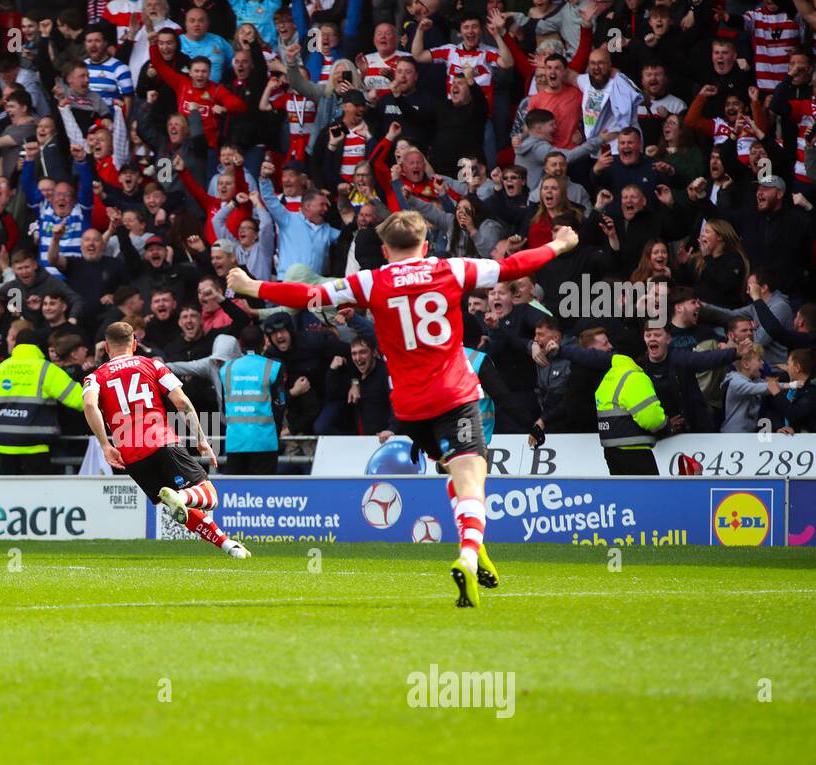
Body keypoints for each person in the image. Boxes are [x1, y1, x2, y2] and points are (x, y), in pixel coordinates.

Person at [228, 211, 580, 608]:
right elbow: (511, 267)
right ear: (426, 245)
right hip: (453, 395)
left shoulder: (371, 281)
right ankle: (468, 552)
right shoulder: (450, 269)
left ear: (384, 249)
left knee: (450, 467)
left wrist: (253, 284)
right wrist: (559, 245)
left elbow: (311, 296)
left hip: (409, 407)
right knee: (472, 474)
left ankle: (477, 550)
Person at [83, 320, 249, 559]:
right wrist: (201, 439)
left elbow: (89, 404)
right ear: (135, 344)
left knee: (179, 506)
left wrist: (105, 445)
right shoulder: (152, 365)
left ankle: (227, 545)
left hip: (131, 456)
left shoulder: (94, 377)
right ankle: (180, 496)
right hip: (161, 442)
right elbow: (181, 402)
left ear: (107, 348)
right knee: (209, 496)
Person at [0, 328, 84, 474]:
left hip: (5, 445)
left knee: (9, 493)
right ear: (39, 348)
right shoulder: (47, 370)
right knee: (38, 494)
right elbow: (80, 400)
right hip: (36, 445)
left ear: (16, 346)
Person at [595, 352, 674, 474]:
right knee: (649, 493)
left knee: (624, 493)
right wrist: (667, 425)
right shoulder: (634, 377)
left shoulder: (610, 375)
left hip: (611, 451)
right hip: (636, 451)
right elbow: (651, 418)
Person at [218, 325, 282, 474]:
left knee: (237, 493)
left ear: (240, 344)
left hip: (235, 441)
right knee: (263, 493)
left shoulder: (226, 369)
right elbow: (279, 405)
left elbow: (223, 405)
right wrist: (276, 433)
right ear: (264, 341)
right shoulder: (273, 367)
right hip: (265, 440)